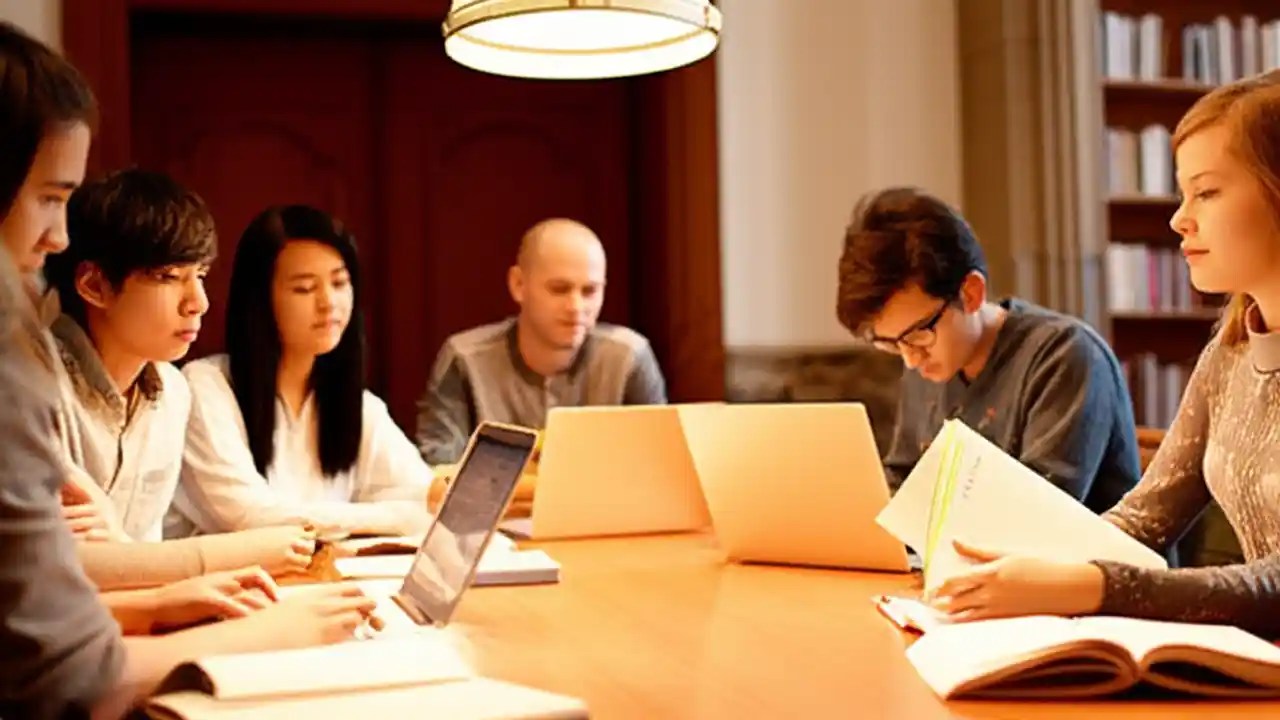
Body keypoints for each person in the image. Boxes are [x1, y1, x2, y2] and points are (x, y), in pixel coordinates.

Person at [0, 22, 374, 718]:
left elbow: (91, 582)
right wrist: (238, 603)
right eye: (172, 277)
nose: (199, 302)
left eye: (201, 275)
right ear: (95, 286)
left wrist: (154, 596)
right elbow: (58, 636)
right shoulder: (30, 372)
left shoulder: (168, 390)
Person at [927, 70, 1280, 638]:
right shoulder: (1230, 351)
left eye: (1207, 192)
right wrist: (1015, 564)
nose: (1179, 218)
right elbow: (1144, 518)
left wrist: (1088, 585)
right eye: (1182, 193)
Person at [836, 187, 1140, 514]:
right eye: (891, 343)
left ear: (970, 293)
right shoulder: (926, 360)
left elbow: (1039, 515)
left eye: (918, 335)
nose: (910, 359)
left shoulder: (1064, 356)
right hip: (959, 562)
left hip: (1075, 562)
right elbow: (904, 479)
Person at [174, 205, 432, 537]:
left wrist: (392, 516)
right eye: (305, 288)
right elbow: (247, 515)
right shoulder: (207, 387)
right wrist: (387, 518)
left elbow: (424, 501)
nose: (329, 303)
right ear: (261, 300)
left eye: (339, 283)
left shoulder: (358, 404)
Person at [416, 217, 666, 464]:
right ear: (518, 285)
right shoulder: (465, 359)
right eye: (559, 289)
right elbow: (439, 475)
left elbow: (658, 466)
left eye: (590, 291)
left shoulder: (629, 358)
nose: (576, 307)